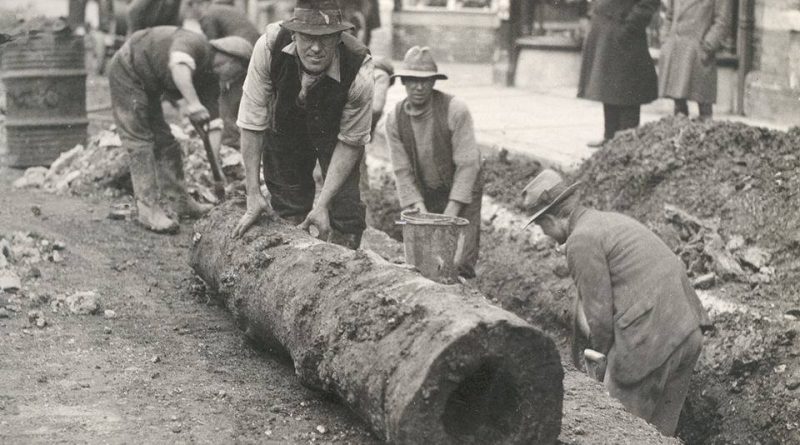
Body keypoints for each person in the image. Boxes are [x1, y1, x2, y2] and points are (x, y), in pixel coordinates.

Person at [521, 168, 711, 436]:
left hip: (650, 343)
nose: (544, 234)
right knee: (660, 435)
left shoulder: (581, 240)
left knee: (615, 431)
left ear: (552, 218)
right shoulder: (605, 222)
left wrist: (601, 368)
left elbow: (599, 318)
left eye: (541, 226)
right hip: (688, 330)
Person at [232, 0, 374, 250]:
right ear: (295, 33)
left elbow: (351, 142)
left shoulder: (359, 67)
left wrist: (322, 205)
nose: (316, 48)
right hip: (287, 127)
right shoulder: (268, 45)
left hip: (333, 132)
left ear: (339, 37)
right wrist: (253, 193)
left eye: (326, 38)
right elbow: (252, 121)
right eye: (308, 37)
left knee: (345, 211)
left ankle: (344, 266)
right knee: (289, 204)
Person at [108, 25, 253, 233]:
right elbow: (179, 66)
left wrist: (216, 168)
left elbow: (213, 124)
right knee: (140, 141)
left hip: (148, 86)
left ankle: (178, 200)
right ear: (230, 59)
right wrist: (193, 103)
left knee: (166, 143)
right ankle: (147, 208)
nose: (232, 79)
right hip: (128, 70)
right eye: (237, 72)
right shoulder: (195, 43)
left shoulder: (210, 80)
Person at [385, 47, 483, 278]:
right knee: (425, 255)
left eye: (425, 81)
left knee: (460, 258)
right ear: (404, 82)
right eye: (412, 81)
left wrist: (449, 216)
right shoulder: (394, 120)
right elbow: (402, 172)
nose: (419, 87)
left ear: (433, 82)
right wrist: (424, 216)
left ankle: (464, 296)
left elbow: (468, 164)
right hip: (426, 188)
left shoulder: (455, 110)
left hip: (463, 184)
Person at [577, 0, 660, 147]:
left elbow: (648, 3)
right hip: (605, 32)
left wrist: (630, 27)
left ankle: (626, 143)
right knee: (609, 87)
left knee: (628, 88)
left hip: (626, 34)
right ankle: (609, 136)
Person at [182, 0, 259, 149]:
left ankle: (229, 139)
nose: (191, 11)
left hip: (240, 53)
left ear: (198, 4)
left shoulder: (207, 16)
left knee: (224, 93)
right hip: (250, 51)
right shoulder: (220, 9)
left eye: (191, 6)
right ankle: (238, 134)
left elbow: (210, 50)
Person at [658, 0, 732, 120]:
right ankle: (680, 130)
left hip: (699, 51)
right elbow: (669, 15)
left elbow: (722, 21)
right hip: (676, 50)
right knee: (679, 106)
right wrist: (665, 40)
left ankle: (706, 135)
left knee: (704, 105)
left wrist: (708, 46)